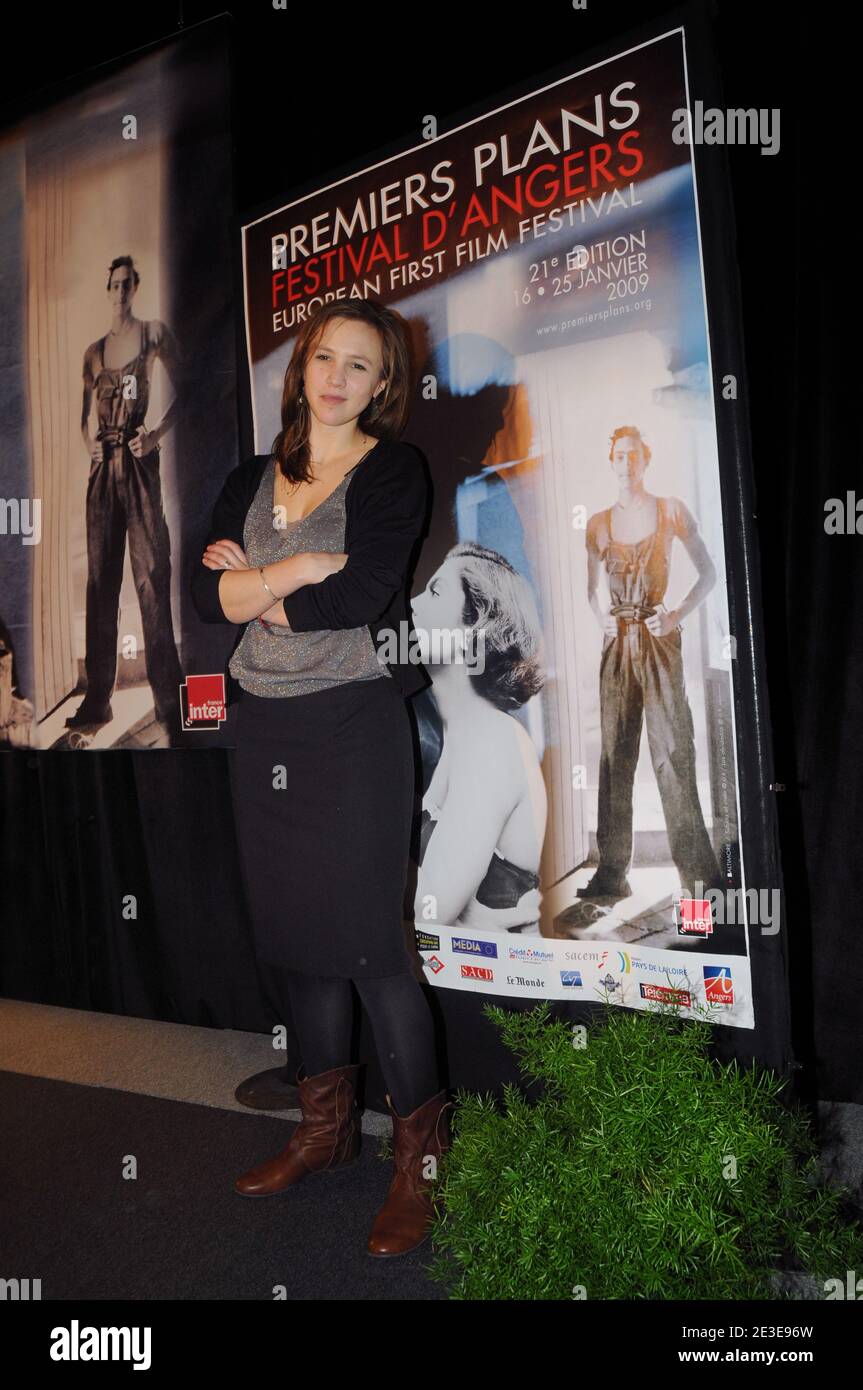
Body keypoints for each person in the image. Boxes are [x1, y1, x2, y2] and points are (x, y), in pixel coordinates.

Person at [190, 300, 451, 1258]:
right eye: (325, 358)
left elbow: (364, 592)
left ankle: (421, 1168)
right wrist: (298, 566)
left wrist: (262, 581)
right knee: (299, 944)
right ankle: (325, 1134)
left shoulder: (393, 472)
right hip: (265, 727)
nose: (337, 378)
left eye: (361, 366)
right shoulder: (247, 478)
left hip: (353, 726)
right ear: (302, 368)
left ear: (383, 385)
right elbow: (201, 598)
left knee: (372, 953)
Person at [582, 425, 724, 904]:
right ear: (612, 461)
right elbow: (589, 589)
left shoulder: (670, 510)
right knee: (614, 758)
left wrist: (676, 614)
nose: (626, 464)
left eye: (634, 455)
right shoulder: (598, 522)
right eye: (619, 456)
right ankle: (612, 875)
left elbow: (709, 573)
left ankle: (699, 886)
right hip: (617, 647)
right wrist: (600, 615)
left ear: (646, 459)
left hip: (660, 642)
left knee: (673, 757)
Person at [70, 256, 184, 736]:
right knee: (101, 584)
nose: (119, 291)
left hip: (138, 466)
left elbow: (190, 388)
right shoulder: (93, 353)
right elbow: (81, 421)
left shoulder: (153, 334)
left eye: (126, 284)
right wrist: (88, 443)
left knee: (152, 580)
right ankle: (99, 702)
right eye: (112, 284)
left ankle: (167, 701)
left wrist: (155, 435)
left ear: (135, 287)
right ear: (107, 288)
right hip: (102, 476)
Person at [410, 543, 547, 933]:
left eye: (435, 592)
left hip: (502, 989)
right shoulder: (462, 732)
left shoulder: (492, 740)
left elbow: (430, 911)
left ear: (475, 630)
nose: (413, 604)